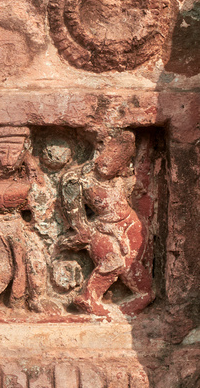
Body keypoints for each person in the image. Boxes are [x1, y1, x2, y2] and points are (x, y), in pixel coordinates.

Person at [58, 129, 153, 316]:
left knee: (132, 267)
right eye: (106, 159)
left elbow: (142, 170)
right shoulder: (81, 181)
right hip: (102, 229)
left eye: (116, 164)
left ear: (122, 167)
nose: (106, 166)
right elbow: (74, 212)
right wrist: (81, 228)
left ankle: (140, 299)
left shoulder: (123, 181)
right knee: (113, 262)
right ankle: (89, 297)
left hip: (131, 225)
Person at [0, 125, 56, 315]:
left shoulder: (28, 178)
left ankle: (33, 299)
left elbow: (41, 203)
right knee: (2, 271)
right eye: (1, 151)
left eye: (15, 152)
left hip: (17, 226)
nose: (8, 159)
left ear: (24, 152)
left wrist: (31, 164)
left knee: (35, 261)